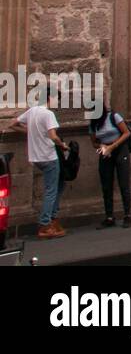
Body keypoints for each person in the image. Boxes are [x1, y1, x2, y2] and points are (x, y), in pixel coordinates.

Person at [6, 86, 70, 239]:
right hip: (49, 156)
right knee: (51, 190)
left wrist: (29, 131)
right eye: (56, 99)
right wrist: (62, 145)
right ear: (49, 98)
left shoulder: (32, 111)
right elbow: (53, 136)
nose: (57, 102)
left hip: (36, 157)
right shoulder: (48, 114)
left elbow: (13, 124)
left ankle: (52, 218)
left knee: (60, 184)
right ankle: (45, 224)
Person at [89, 104, 131, 229]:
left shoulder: (114, 117)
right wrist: (102, 147)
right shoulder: (93, 124)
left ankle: (127, 215)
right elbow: (93, 142)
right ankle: (109, 216)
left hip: (120, 149)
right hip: (105, 153)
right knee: (106, 185)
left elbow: (126, 133)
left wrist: (112, 146)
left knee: (124, 183)